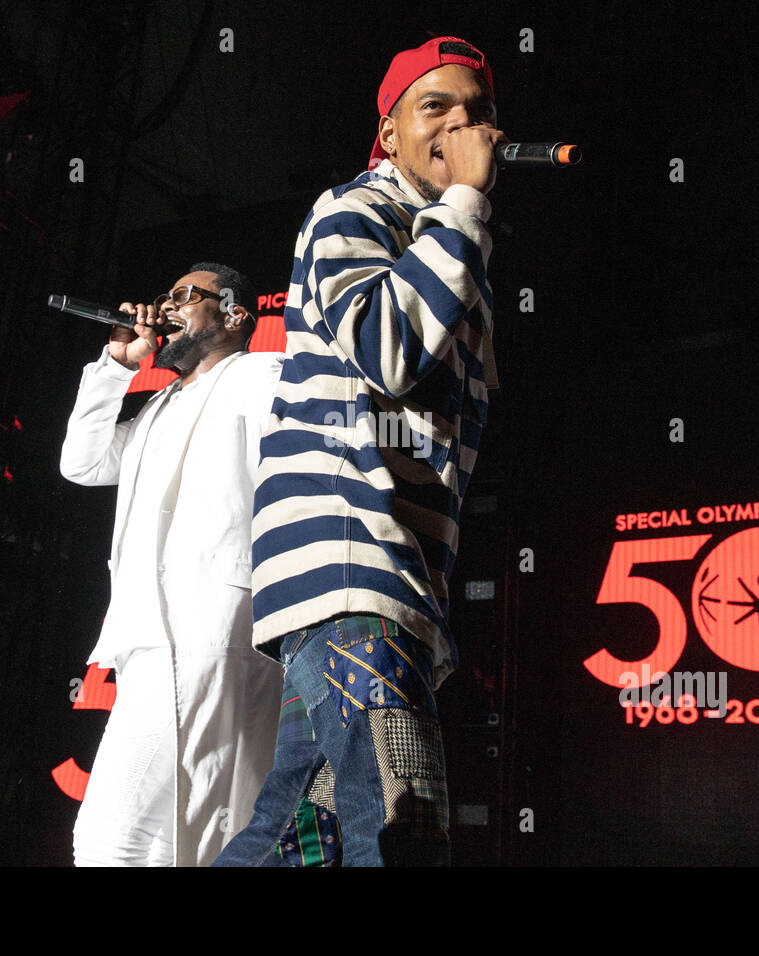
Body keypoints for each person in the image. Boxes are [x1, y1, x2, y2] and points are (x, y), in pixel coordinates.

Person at [215, 36, 505, 867]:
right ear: (390, 133)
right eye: (435, 107)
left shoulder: (448, 246)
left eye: (477, 112)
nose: (460, 124)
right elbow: (384, 348)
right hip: (351, 566)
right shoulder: (355, 212)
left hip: (389, 579)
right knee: (404, 827)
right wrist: (465, 211)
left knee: (295, 840)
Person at [60, 263, 284, 866]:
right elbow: (80, 464)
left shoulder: (261, 375)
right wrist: (115, 367)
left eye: (187, 295)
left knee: (113, 840)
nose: (168, 305)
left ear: (236, 316)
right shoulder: (156, 409)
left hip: (210, 625)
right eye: (166, 295)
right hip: (149, 636)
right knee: (184, 845)